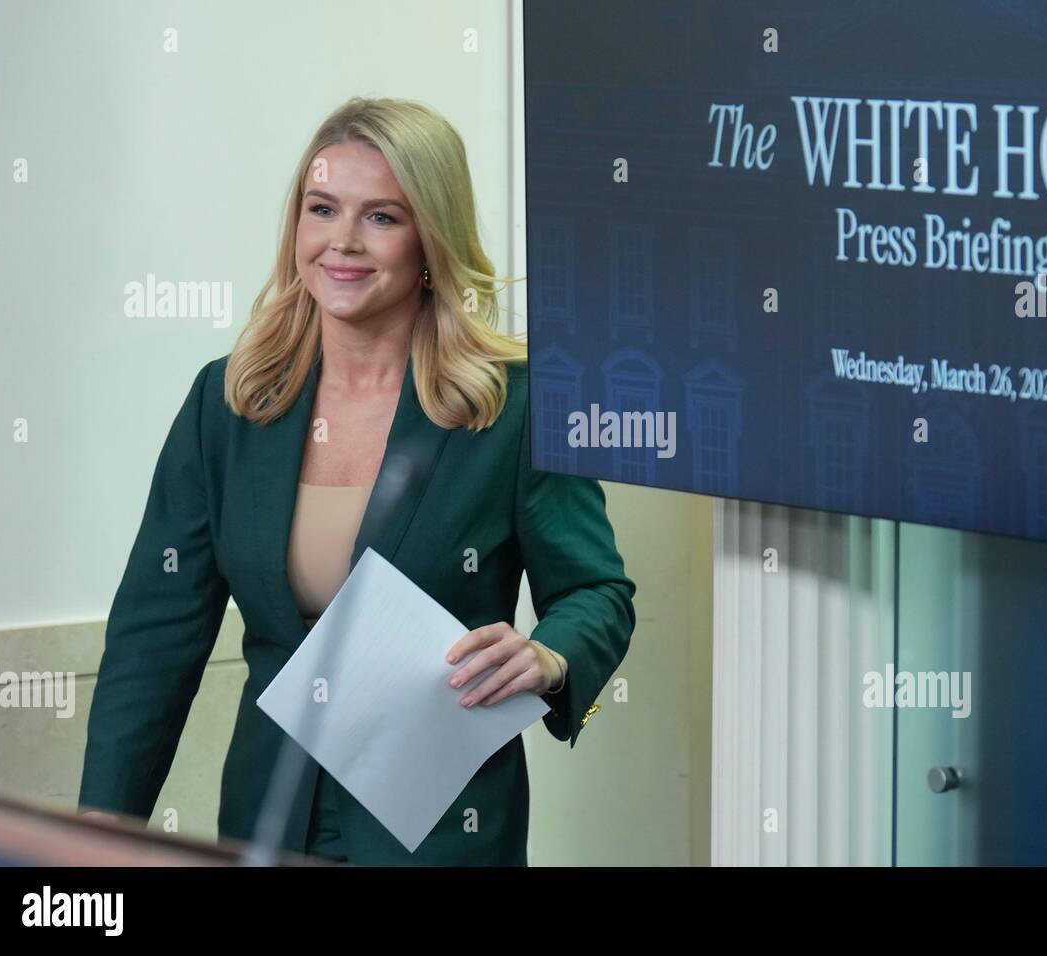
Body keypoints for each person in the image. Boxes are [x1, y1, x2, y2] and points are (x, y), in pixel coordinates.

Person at [78, 97, 637, 865]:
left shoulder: (518, 405)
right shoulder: (230, 402)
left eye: (381, 217)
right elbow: (154, 641)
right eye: (322, 209)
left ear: (431, 241)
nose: (342, 241)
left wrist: (550, 658)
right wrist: (98, 836)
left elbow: (596, 590)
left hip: (444, 826)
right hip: (269, 817)